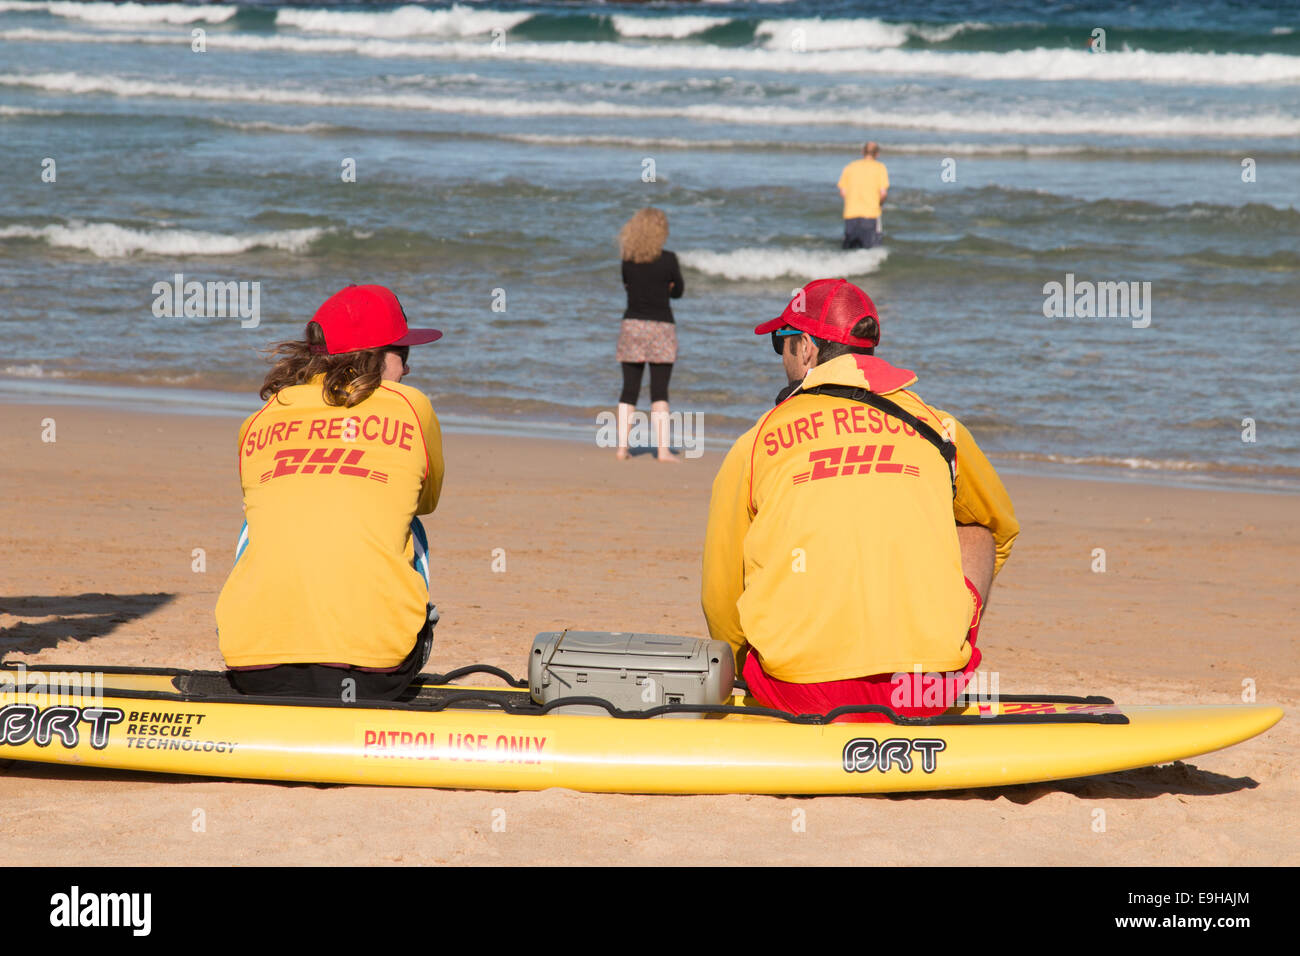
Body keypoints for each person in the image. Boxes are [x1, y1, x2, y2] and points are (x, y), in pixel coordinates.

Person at [701, 278, 1018, 721]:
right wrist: (953, 629)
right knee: (975, 529)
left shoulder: (756, 443)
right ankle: (939, 649)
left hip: (798, 693)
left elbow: (721, 593)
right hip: (925, 691)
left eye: (782, 343)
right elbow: (999, 528)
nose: (782, 356)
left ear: (807, 348)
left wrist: (740, 674)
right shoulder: (940, 428)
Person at [215, 284, 445, 700]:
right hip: (377, 673)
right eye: (403, 354)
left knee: (266, 517)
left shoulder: (262, 416)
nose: (408, 370)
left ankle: (266, 632)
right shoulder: (412, 405)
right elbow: (426, 501)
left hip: (255, 669)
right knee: (408, 522)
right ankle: (373, 635)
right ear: (374, 354)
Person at [615, 207, 684, 462]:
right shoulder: (668, 259)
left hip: (633, 324)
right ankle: (663, 451)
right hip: (661, 327)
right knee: (659, 391)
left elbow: (627, 287)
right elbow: (679, 292)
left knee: (629, 389)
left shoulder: (627, 259)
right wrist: (667, 288)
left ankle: (622, 448)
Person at [837, 141, 889, 249]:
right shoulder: (879, 168)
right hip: (870, 215)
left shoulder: (850, 167)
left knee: (849, 250)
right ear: (877, 154)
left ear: (862, 152)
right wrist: (879, 204)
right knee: (872, 251)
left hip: (850, 214)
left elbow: (843, 192)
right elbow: (883, 193)